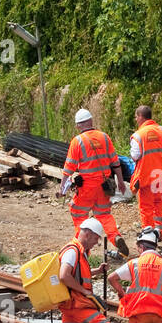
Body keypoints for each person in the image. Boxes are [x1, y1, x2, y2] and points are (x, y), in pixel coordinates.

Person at [61, 108, 129, 257]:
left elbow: (69, 168)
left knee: (79, 214)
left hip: (86, 187)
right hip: (104, 186)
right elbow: (115, 162)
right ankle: (115, 237)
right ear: (91, 121)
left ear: (78, 125)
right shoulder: (104, 137)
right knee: (104, 215)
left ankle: (82, 249)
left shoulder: (77, 141)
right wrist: (121, 182)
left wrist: (62, 189)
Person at [56, 218, 113, 323]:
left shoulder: (78, 251)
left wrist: (96, 271)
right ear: (88, 234)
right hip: (77, 303)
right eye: (96, 239)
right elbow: (64, 275)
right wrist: (83, 291)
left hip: (71, 303)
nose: (96, 243)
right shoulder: (73, 251)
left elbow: (78, 275)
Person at [128, 105, 162, 235]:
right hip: (160, 175)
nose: (136, 119)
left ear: (141, 117)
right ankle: (159, 232)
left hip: (146, 177)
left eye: (136, 117)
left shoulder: (138, 136)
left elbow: (135, 156)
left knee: (146, 206)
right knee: (157, 201)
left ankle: (149, 236)